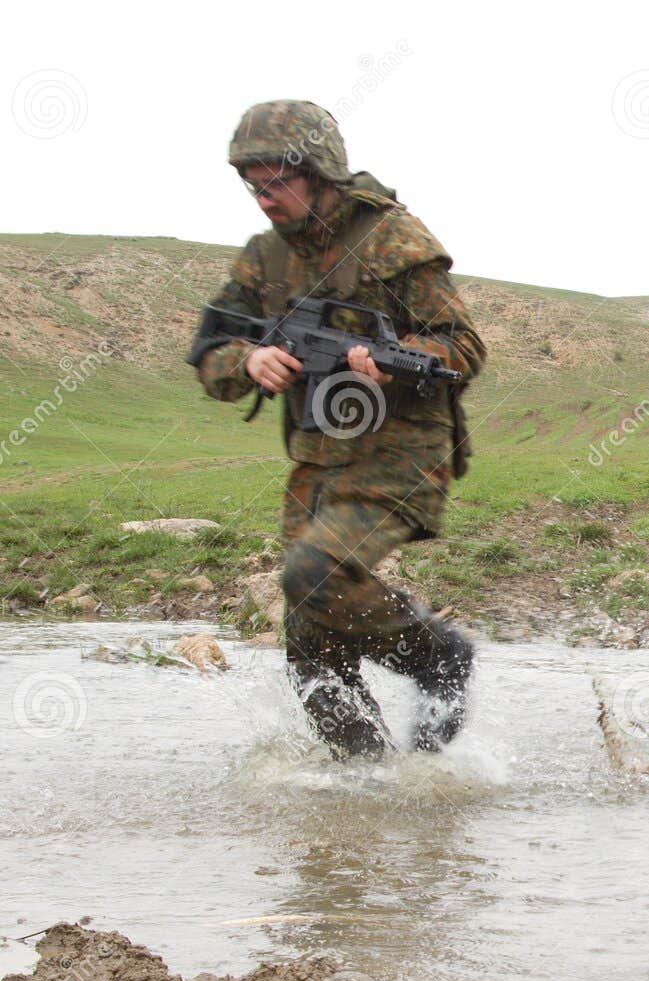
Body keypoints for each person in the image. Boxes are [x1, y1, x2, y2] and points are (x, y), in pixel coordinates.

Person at [190, 101, 486, 759]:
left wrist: (397, 364)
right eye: (253, 185)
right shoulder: (263, 260)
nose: (264, 199)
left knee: (312, 572)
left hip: (403, 453)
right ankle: (368, 780)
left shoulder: (393, 239)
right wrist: (250, 359)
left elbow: (463, 345)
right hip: (316, 462)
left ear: (319, 172)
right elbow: (209, 350)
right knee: (308, 640)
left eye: (277, 183)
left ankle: (437, 656)